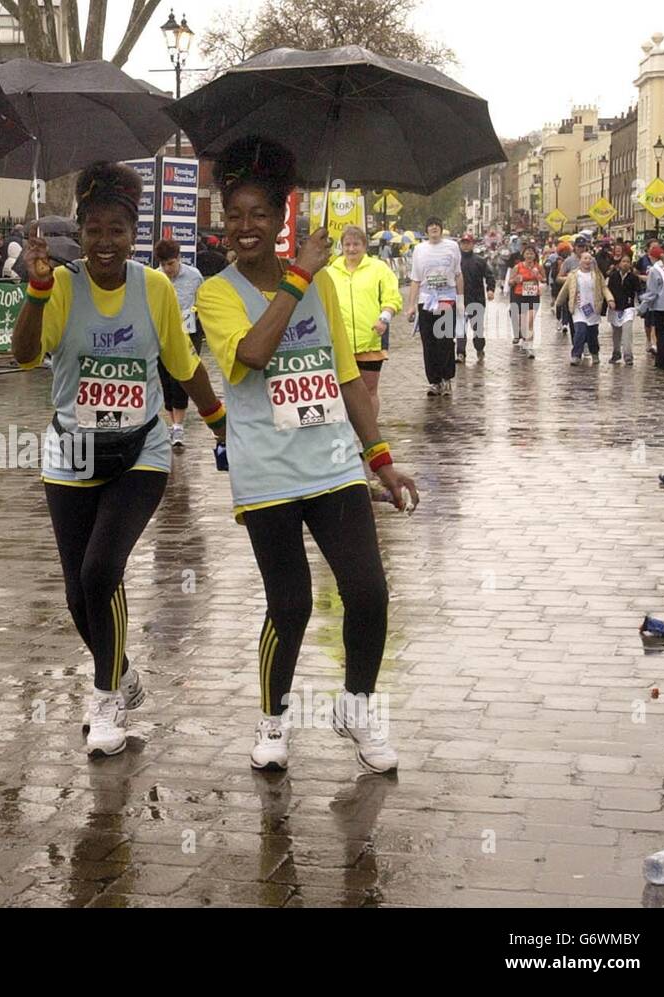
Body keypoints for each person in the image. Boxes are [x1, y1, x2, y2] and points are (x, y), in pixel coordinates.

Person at [194, 135, 419, 774]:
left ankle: (358, 705)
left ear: (281, 217)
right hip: (265, 473)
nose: (244, 227)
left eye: (258, 215)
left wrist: (380, 459)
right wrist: (298, 276)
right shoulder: (217, 293)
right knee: (289, 604)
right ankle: (273, 718)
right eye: (234, 215)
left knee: (369, 593)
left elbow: (346, 378)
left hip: (332, 466)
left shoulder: (318, 288)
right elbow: (252, 355)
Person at [10, 161, 227, 758]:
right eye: (94, 230)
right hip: (72, 450)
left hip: (141, 452)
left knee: (101, 573)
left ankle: (105, 700)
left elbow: (183, 365)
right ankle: (124, 673)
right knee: (78, 594)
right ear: (79, 232)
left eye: (117, 231)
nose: (105, 243)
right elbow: (24, 356)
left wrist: (222, 426)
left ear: (133, 233)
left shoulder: (152, 287)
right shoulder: (58, 284)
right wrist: (35, 290)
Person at [324, 224, 402, 417]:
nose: (351, 249)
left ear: (365, 246)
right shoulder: (331, 272)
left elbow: (392, 297)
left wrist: (384, 318)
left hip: (371, 340)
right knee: (342, 392)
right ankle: (346, 433)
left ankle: (369, 435)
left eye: (356, 244)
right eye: (347, 244)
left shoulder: (379, 269)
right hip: (341, 343)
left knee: (369, 390)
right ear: (341, 246)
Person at [153, 237, 206, 446]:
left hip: (189, 333)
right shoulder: (155, 279)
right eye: (164, 264)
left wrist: (197, 311)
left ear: (179, 259)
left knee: (181, 378)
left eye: (171, 264)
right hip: (163, 334)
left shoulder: (194, 276)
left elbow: (202, 300)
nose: (168, 269)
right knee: (165, 378)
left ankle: (179, 426)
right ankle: (172, 422)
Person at [405, 216, 463, 396]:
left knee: (444, 341)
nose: (434, 229)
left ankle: (447, 378)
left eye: (437, 225)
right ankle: (434, 381)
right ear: (426, 231)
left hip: (446, 299)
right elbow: (416, 279)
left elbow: (458, 274)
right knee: (428, 342)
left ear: (441, 229)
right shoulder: (419, 250)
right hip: (427, 300)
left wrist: (460, 300)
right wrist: (411, 305)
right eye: (430, 226)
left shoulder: (452, 247)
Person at [554, 250, 615, 366]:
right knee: (580, 331)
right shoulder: (573, 275)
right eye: (585, 258)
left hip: (593, 309)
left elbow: (604, 288)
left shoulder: (597, 275)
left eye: (589, 258)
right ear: (580, 261)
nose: (588, 261)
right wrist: (558, 302)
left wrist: (610, 299)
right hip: (578, 309)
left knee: (592, 335)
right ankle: (576, 355)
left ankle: (594, 352)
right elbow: (565, 289)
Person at [456, 232, 495, 363]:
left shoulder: (480, 261)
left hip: (477, 299)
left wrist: (490, 290)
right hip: (460, 299)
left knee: (477, 329)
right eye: (463, 243)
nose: (465, 246)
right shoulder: (455, 261)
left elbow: (490, 276)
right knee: (460, 328)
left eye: (468, 243)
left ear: (472, 244)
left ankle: (479, 349)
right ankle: (460, 353)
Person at [639, 245, 664, 370]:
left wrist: (642, 307)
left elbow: (652, 292)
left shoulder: (654, 270)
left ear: (652, 257)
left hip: (659, 306)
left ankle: (662, 362)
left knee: (660, 334)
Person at [606, 254, 639, 365]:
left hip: (628, 308)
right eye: (623, 261)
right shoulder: (613, 276)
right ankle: (616, 352)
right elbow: (608, 291)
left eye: (628, 261)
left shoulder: (633, 278)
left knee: (627, 331)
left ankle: (628, 355)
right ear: (619, 264)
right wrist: (609, 302)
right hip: (615, 308)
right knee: (616, 332)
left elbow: (638, 291)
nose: (625, 263)